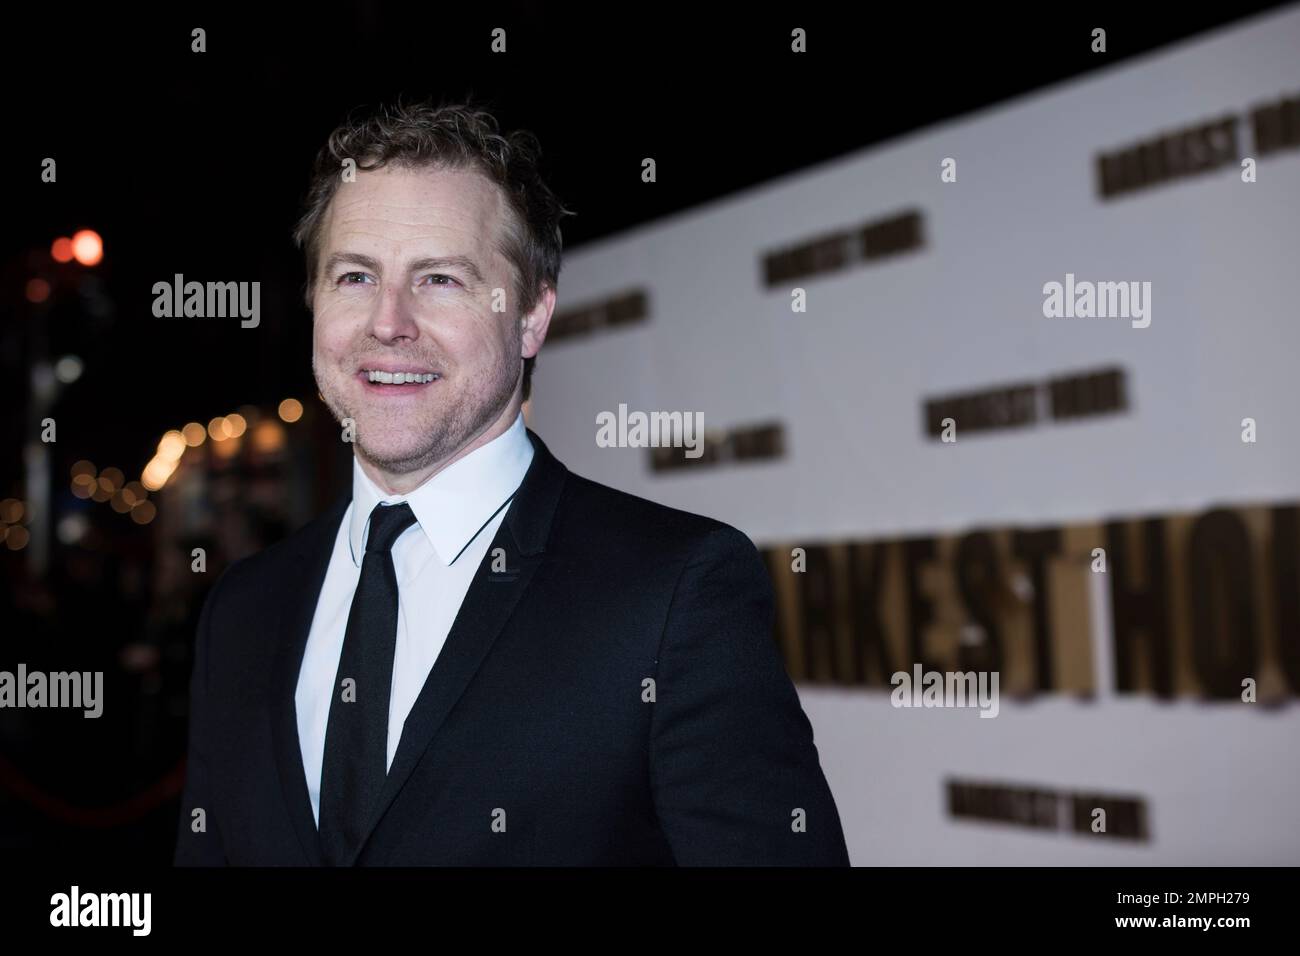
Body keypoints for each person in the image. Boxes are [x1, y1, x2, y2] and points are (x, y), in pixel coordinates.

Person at [173, 100, 849, 866]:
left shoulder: (674, 596)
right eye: (355, 275)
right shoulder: (243, 609)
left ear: (531, 318)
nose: (388, 322)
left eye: (440, 279)